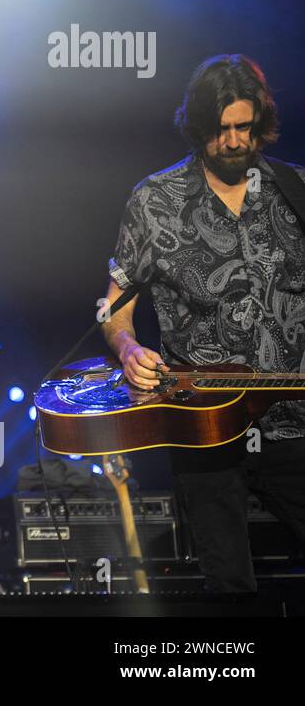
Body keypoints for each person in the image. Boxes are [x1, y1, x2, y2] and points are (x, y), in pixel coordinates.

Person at [101, 54, 305, 591]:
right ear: (197, 128)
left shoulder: (296, 192)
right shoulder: (154, 202)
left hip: (294, 421)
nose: (235, 142)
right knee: (230, 587)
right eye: (220, 131)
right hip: (205, 427)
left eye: (245, 128)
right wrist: (127, 350)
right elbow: (115, 312)